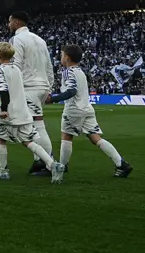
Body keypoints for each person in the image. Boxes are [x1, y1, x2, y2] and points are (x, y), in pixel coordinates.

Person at [48, 44, 133, 180]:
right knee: (95, 138)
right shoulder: (80, 72)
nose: (61, 57)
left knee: (67, 137)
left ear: (67, 58)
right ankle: (121, 164)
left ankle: (61, 167)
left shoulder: (68, 72)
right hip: (87, 109)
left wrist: (53, 98)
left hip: (74, 110)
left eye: (62, 55)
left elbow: (71, 91)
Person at [0, 42, 62, 183]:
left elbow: (4, 91)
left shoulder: (0, 70)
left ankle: (3, 171)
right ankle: (53, 164)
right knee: (28, 141)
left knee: (1, 139)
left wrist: (4, 109)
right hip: (23, 111)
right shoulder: (16, 68)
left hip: (9, 111)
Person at [9, 12, 56, 176]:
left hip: (29, 87)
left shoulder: (17, 40)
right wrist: (49, 86)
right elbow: (49, 66)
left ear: (15, 22)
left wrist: (14, 90)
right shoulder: (40, 40)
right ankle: (39, 160)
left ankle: (48, 163)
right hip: (42, 86)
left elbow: (16, 65)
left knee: (36, 126)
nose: (8, 25)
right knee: (33, 125)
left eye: (9, 22)